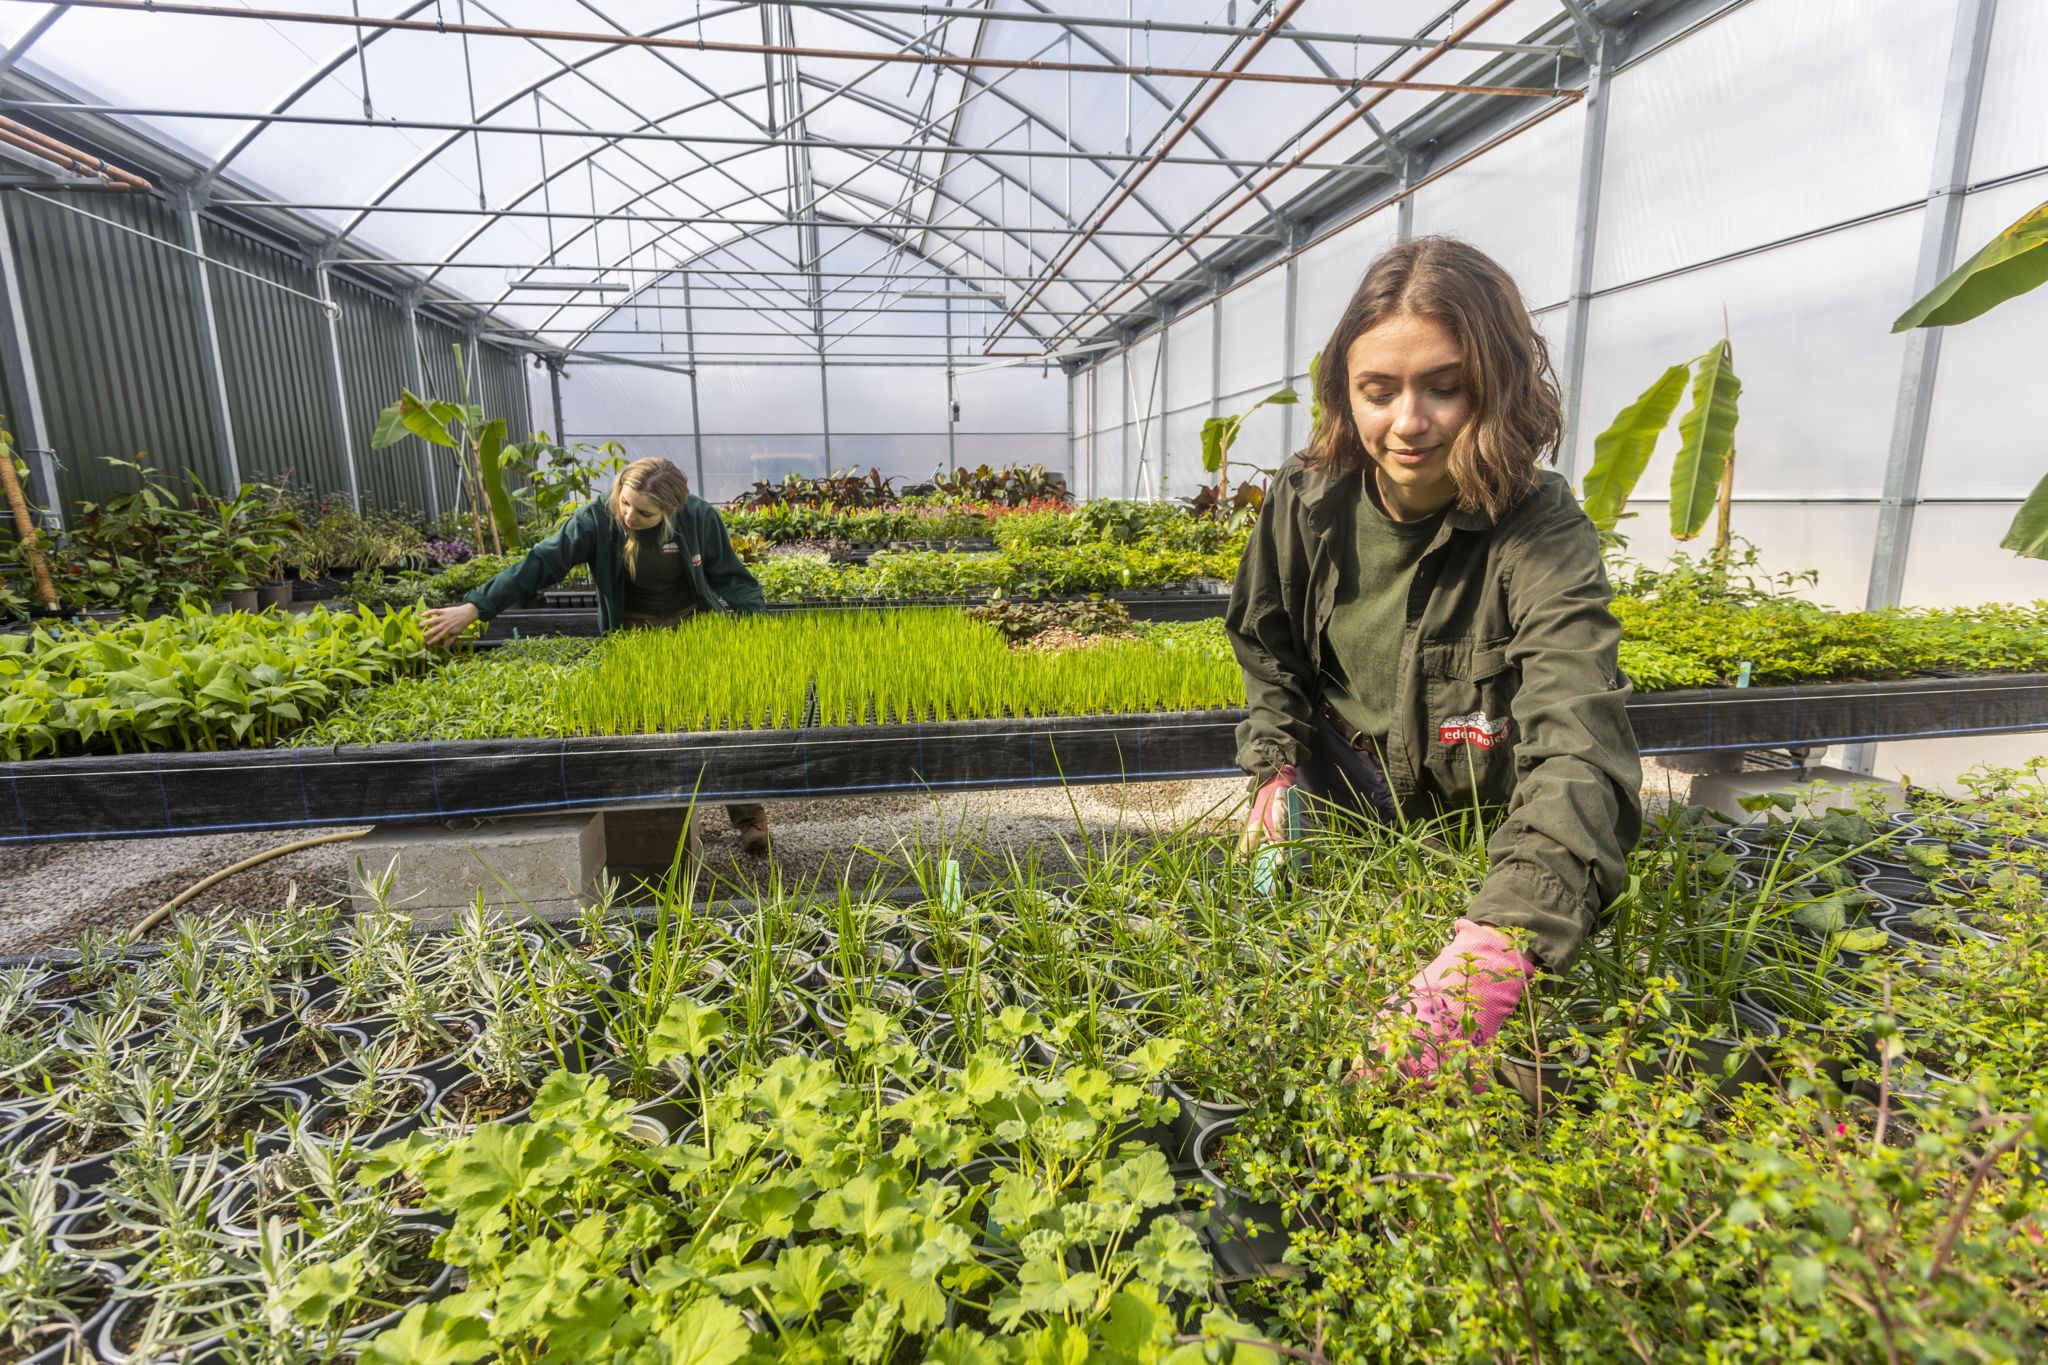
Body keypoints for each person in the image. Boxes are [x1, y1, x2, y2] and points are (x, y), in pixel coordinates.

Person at [1226, 237, 1642, 1081]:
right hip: (1338, 788)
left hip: (1473, 815)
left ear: (1496, 384)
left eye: (1445, 387)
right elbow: (1269, 644)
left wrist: (1492, 953)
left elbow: (1578, 740)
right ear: (1345, 390)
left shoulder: (1541, 530)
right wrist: (1276, 768)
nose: (1407, 423)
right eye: (1378, 390)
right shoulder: (1306, 497)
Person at [420, 457, 776, 858]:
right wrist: (475, 607)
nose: (629, 516)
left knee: (718, 723)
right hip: (630, 634)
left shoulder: (698, 518)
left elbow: (732, 577)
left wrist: (758, 631)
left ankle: (749, 817)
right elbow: (541, 562)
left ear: (671, 509)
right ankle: (654, 825)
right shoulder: (595, 520)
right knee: (642, 730)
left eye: (644, 513)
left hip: (693, 628)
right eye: (625, 503)